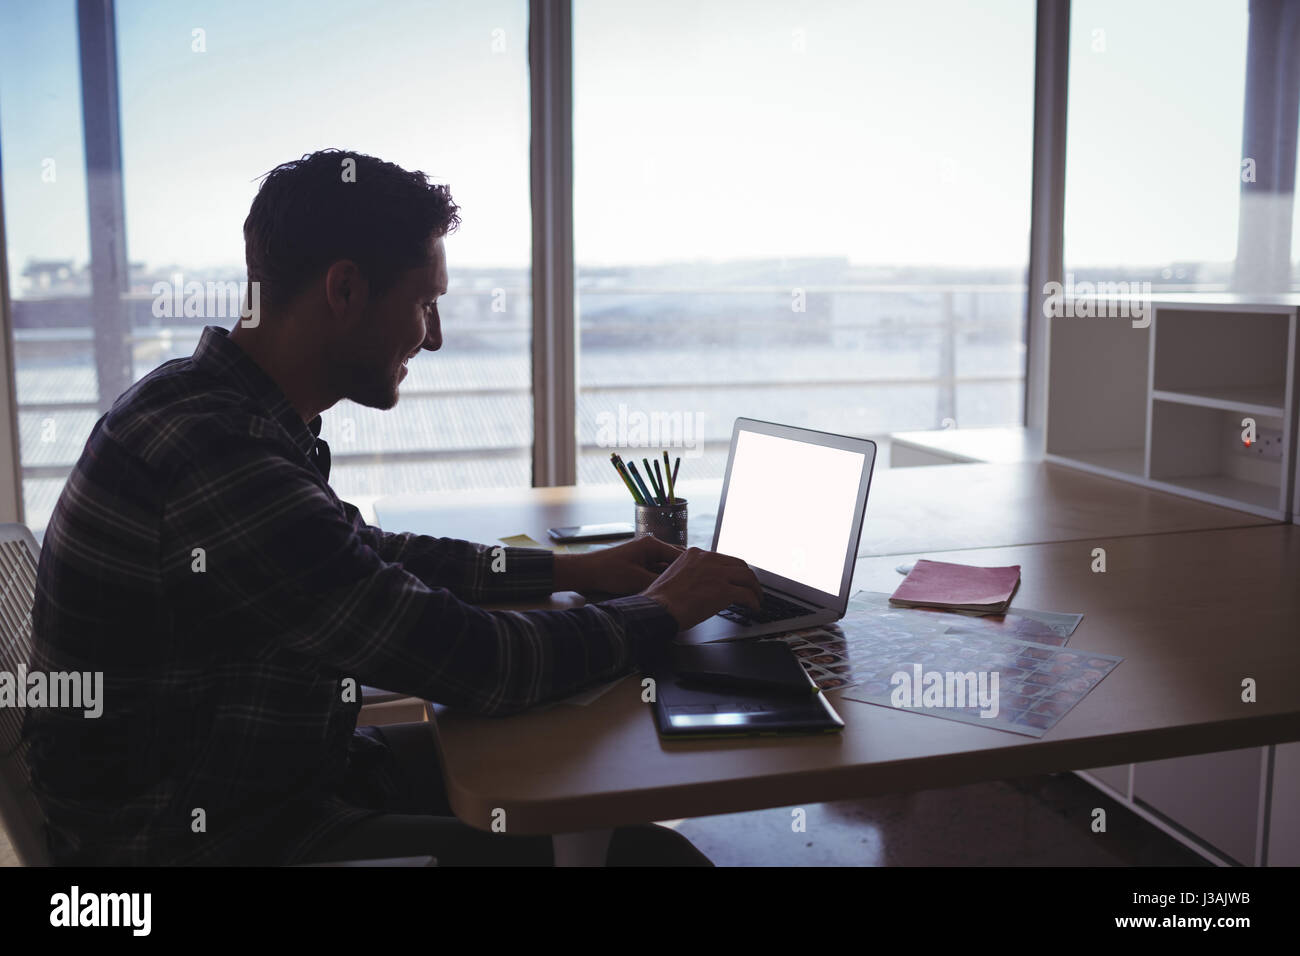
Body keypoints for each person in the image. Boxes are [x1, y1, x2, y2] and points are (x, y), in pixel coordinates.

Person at [22, 149, 762, 866]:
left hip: (279, 780)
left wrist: (575, 567)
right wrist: (663, 610)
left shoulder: (213, 405)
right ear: (344, 290)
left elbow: (364, 554)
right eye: (424, 302)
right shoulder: (218, 454)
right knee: (647, 857)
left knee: (574, 780)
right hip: (226, 842)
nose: (433, 337)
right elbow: (479, 664)